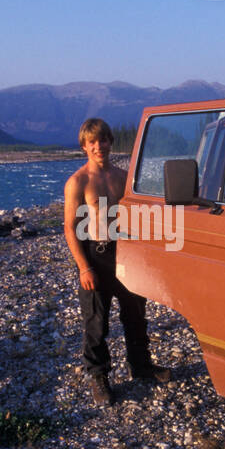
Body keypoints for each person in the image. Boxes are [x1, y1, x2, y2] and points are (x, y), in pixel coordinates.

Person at [63, 118, 170, 405]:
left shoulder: (124, 177)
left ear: (110, 142)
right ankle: (99, 377)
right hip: (95, 255)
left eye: (103, 140)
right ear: (84, 146)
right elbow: (70, 229)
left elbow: (139, 216)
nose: (99, 146)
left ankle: (141, 365)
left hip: (125, 252)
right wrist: (84, 267)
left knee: (135, 313)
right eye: (92, 142)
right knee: (96, 321)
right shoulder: (78, 182)